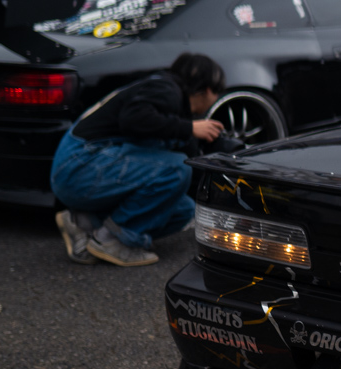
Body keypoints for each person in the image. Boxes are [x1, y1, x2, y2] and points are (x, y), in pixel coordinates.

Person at [51, 53, 225, 268]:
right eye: (217, 92)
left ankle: (84, 224)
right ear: (207, 90)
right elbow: (134, 119)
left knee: (183, 210)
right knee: (175, 169)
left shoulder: (162, 91)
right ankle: (111, 241)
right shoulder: (166, 90)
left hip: (82, 166)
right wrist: (189, 128)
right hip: (79, 165)